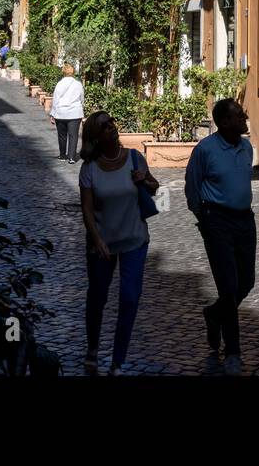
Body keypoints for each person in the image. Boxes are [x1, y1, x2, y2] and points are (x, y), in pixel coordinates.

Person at [78, 110, 158, 375]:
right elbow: (87, 209)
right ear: (95, 138)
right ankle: (92, 348)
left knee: (130, 298)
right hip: (102, 244)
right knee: (97, 297)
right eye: (104, 126)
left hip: (134, 238)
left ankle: (118, 359)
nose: (111, 127)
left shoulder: (134, 158)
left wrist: (144, 180)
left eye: (111, 122)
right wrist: (97, 239)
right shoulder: (89, 168)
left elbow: (153, 186)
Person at [184, 98, 256, 375]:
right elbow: (192, 187)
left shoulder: (246, 147)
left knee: (246, 281)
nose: (245, 117)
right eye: (239, 115)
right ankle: (233, 351)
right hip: (217, 222)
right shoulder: (205, 150)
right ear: (224, 122)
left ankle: (214, 314)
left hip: (245, 221)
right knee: (228, 287)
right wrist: (204, 219)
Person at [49, 64, 85, 164]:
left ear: (63, 72)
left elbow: (55, 100)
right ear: (73, 72)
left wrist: (52, 114)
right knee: (73, 135)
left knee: (62, 135)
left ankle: (62, 154)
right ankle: (72, 157)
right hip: (74, 113)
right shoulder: (78, 84)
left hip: (60, 112)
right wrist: (80, 107)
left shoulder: (59, 84)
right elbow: (82, 98)